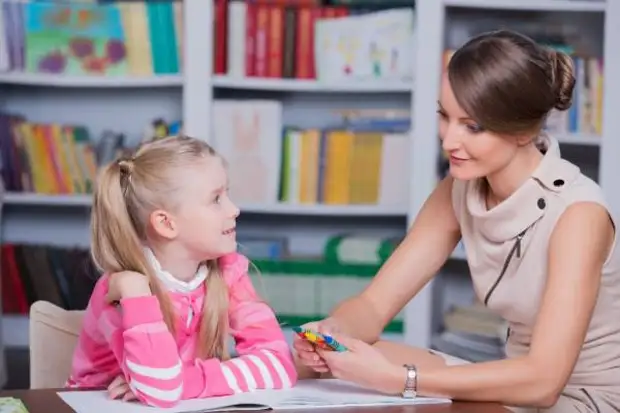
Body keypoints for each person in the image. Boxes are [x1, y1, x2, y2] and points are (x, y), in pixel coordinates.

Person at [294, 29, 620, 413]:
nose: (449, 140)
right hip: (511, 382)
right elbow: (374, 304)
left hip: (579, 397)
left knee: (392, 388)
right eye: (444, 116)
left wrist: (403, 380)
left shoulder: (579, 214)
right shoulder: (460, 187)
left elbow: (544, 382)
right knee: (329, 366)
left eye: (473, 126)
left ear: (524, 131)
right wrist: (335, 332)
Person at [67, 136, 297, 407]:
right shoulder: (122, 290)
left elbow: (279, 365)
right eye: (216, 199)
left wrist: (185, 381)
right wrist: (136, 292)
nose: (234, 210)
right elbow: (162, 391)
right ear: (166, 223)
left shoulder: (227, 270)